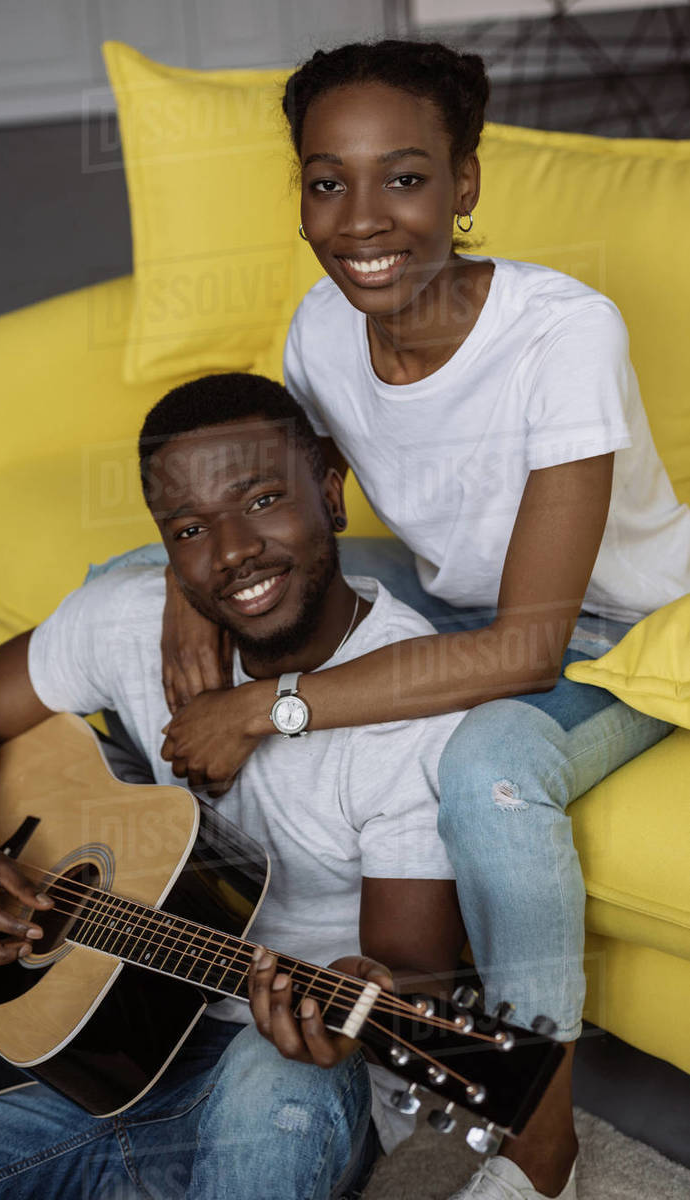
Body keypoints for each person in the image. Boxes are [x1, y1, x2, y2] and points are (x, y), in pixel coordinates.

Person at [154, 40, 690, 1200]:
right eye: (325, 180)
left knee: (491, 765)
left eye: (403, 177)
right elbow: (262, 487)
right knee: (147, 562)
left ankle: (534, 1124)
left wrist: (270, 704)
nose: (361, 220)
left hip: (619, 627)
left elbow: (526, 650)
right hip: (455, 586)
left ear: (466, 184)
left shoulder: (563, 335)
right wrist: (172, 590)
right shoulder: (319, 331)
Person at [0, 374, 469, 1200]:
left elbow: (411, 971)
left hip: (280, 1063)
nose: (231, 552)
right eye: (191, 528)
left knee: (281, 1095)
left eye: (264, 499)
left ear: (333, 495)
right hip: (101, 1052)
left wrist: (355, 997)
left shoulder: (409, 716)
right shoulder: (125, 619)